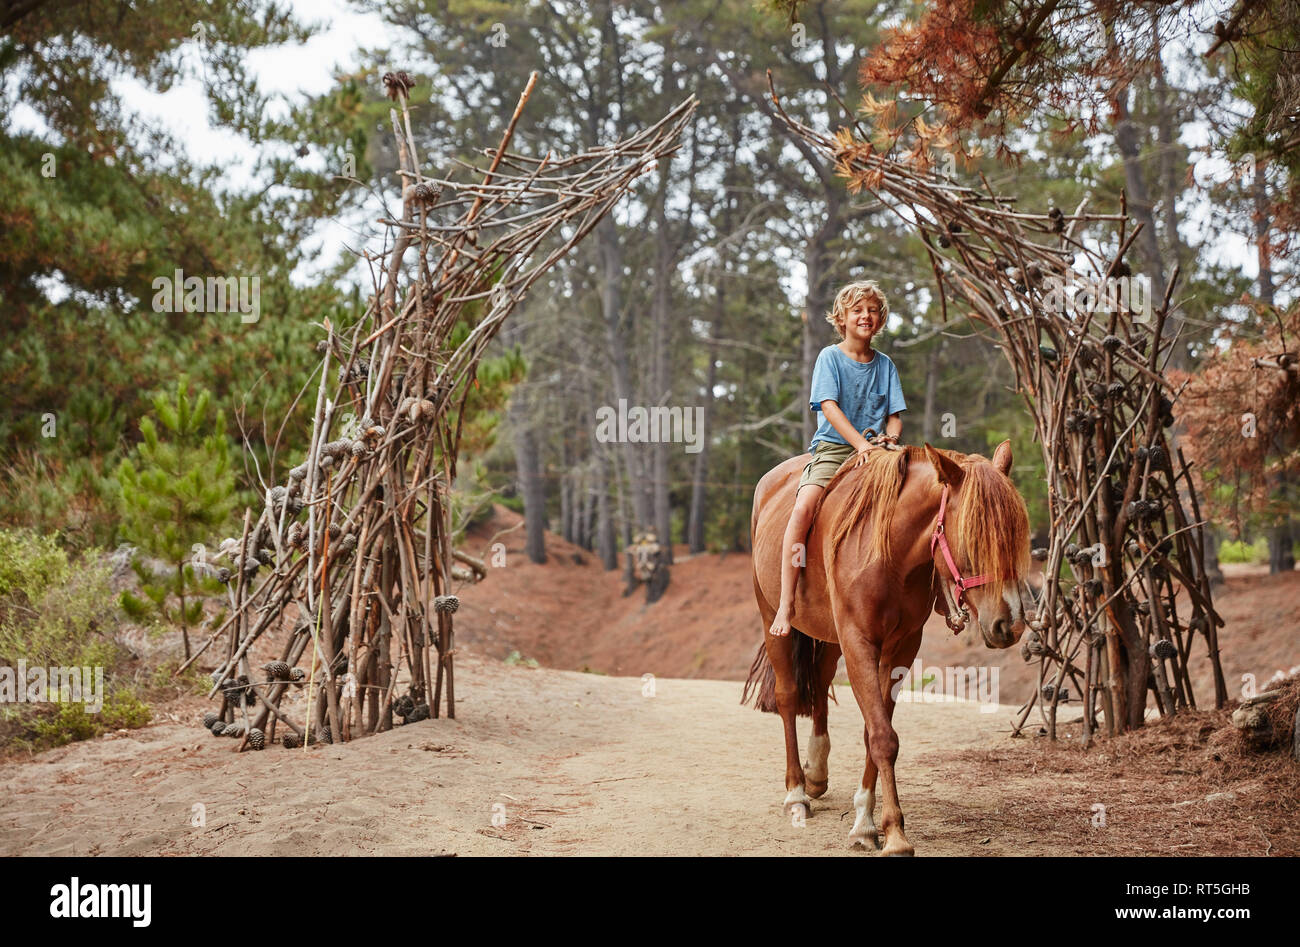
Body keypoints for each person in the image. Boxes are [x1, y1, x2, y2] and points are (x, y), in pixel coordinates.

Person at [768, 280, 907, 637]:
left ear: (880, 319)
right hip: (836, 449)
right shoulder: (830, 358)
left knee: (920, 507)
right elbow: (829, 407)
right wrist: (859, 445)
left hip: (878, 452)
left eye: (872, 310)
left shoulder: (886, 365)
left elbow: (895, 414)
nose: (866, 316)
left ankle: (934, 597)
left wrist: (888, 440)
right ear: (841, 318)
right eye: (857, 310)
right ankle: (786, 602)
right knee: (803, 509)